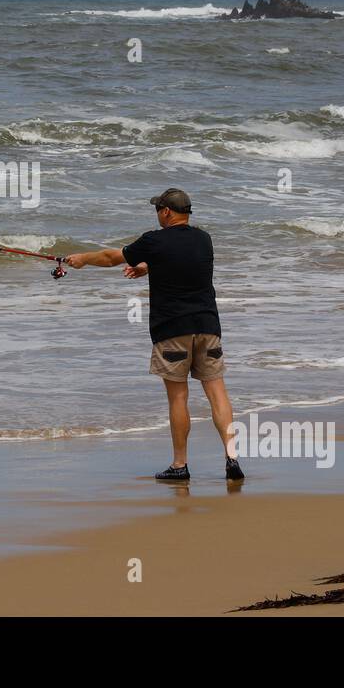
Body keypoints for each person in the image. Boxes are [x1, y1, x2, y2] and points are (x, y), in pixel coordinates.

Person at [65, 188, 243, 482]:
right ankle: (232, 458)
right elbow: (181, 263)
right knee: (217, 393)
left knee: (178, 398)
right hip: (208, 327)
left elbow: (112, 258)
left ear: (166, 212)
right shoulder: (204, 239)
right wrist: (148, 268)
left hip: (172, 330)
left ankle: (180, 465)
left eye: (157, 210)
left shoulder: (154, 240)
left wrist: (82, 258)